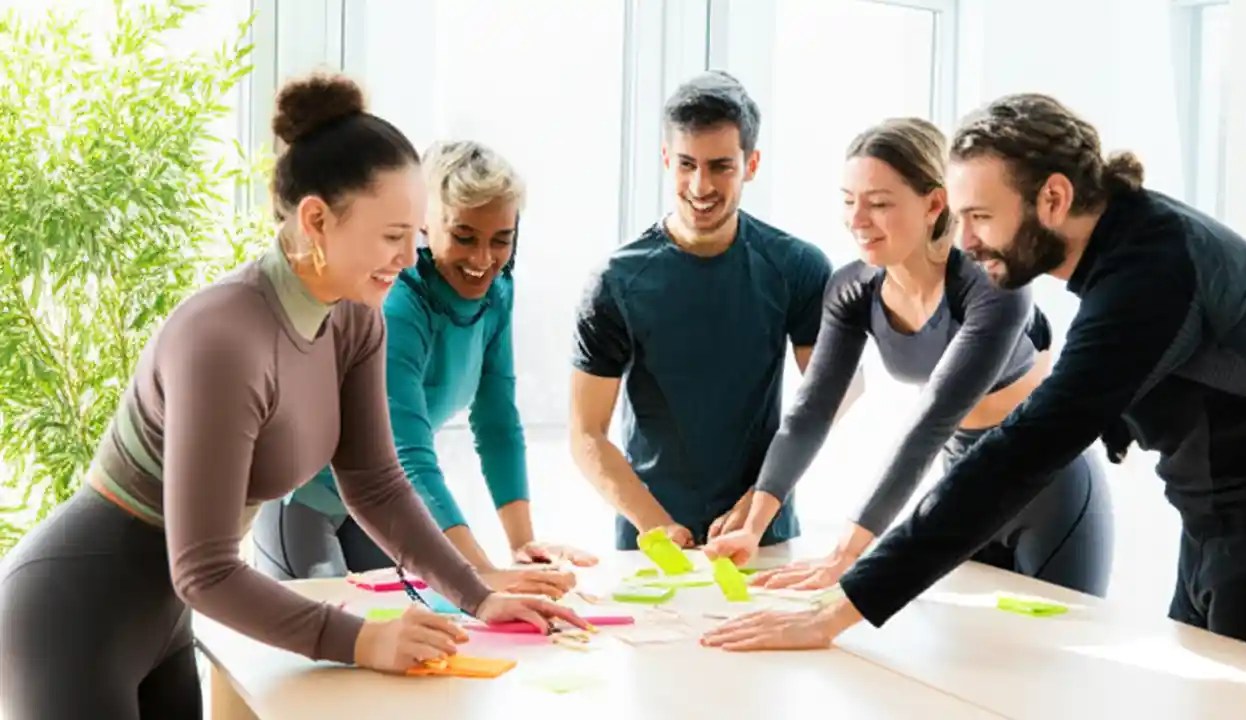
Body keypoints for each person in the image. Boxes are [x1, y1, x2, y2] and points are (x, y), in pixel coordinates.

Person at [0, 72, 585, 719]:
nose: (409, 257)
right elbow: (204, 570)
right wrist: (361, 640)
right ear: (316, 220)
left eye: (414, 235)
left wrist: (479, 596)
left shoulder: (355, 318)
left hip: (162, 620)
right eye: (392, 235)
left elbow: (377, 484)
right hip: (74, 610)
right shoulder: (223, 336)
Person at [701, 92, 1246, 653]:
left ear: (1053, 197)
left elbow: (1026, 446)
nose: (966, 240)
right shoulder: (1137, 242)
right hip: (1213, 515)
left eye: (980, 216)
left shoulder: (1150, 271)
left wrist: (843, 606)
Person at [704, 117, 1113, 598]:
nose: (858, 220)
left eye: (879, 204)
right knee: (969, 645)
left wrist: (847, 554)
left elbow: (931, 420)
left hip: (1049, 483)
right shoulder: (852, 290)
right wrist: (752, 526)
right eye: (849, 201)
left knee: (1058, 642)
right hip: (965, 484)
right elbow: (810, 413)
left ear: (935, 204)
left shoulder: (994, 283)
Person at [254, 139, 595, 599]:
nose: (483, 260)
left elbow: (497, 421)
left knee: (411, 621)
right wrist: (479, 573)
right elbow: (408, 453)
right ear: (424, 223)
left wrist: (522, 545)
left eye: (501, 239)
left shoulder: (497, 292)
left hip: (376, 501)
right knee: (335, 628)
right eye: (464, 237)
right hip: (305, 497)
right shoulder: (398, 302)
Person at [570, 70, 833, 551]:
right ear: (666, 158)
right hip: (651, 543)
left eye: (720, 167)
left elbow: (826, 401)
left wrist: (759, 504)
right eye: (686, 164)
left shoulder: (797, 267)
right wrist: (658, 526)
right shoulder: (614, 281)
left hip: (764, 539)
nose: (700, 185)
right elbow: (587, 433)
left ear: (751, 164)